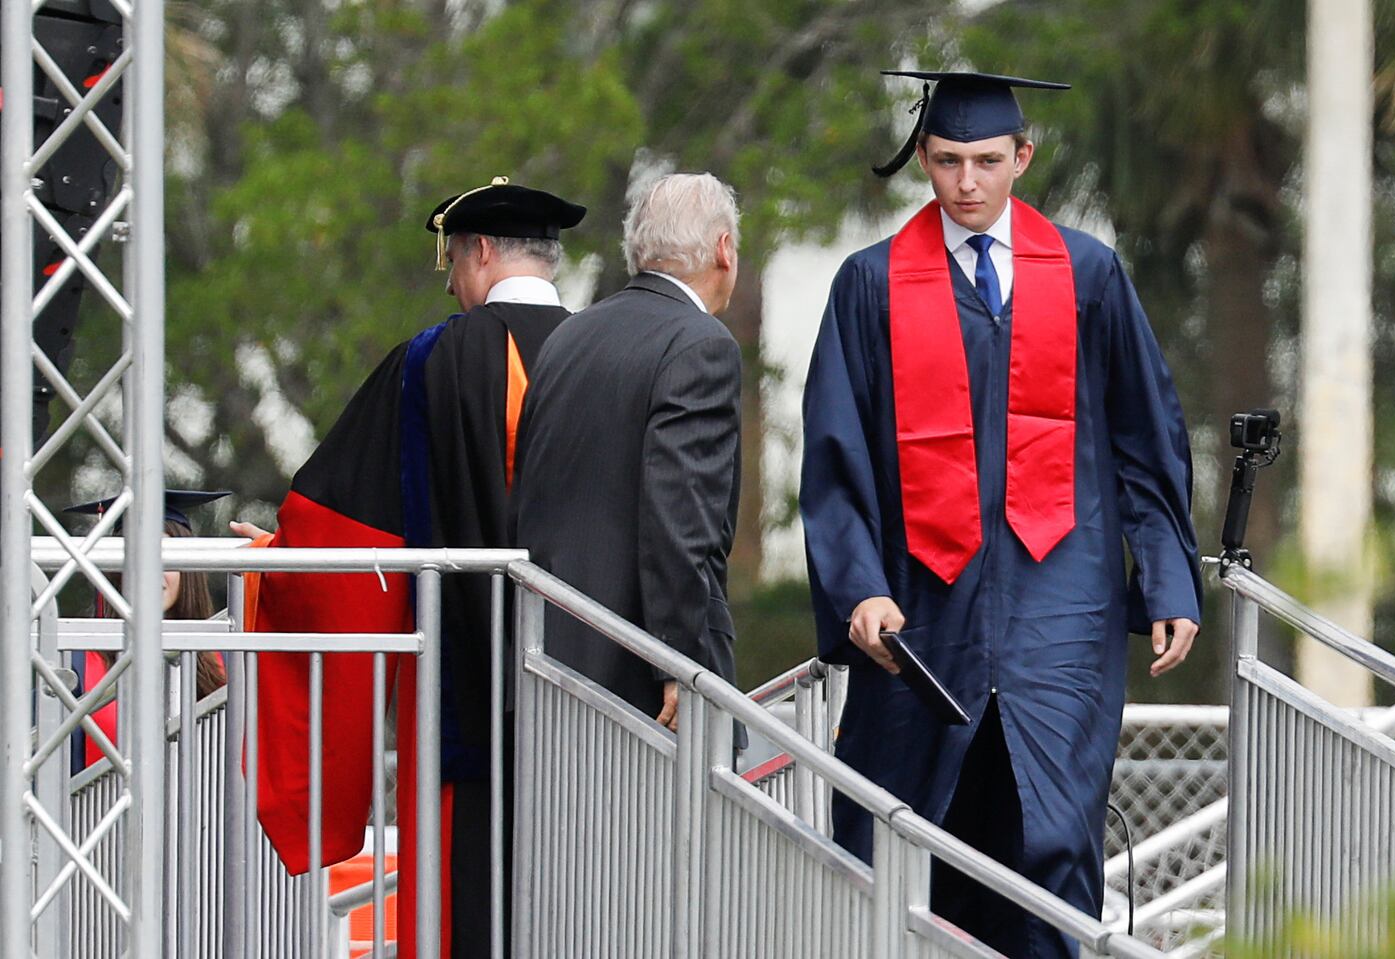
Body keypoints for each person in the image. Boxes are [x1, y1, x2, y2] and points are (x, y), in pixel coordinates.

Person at [799, 71, 1202, 958]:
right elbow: (835, 454)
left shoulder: (1088, 275)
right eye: (947, 162)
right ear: (925, 164)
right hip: (919, 612)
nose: (967, 183)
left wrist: (1169, 574)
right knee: (906, 842)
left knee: (1051, 836)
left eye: (987, 160)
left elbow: (1146, 437)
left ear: (1023, 156)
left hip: (1062, 606)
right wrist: (858, 585)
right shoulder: (870, 287)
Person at [235, 177, 584, 959]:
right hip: (594, 695)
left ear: (483, 251)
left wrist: (270, 562)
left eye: (454, 264)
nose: (454, 286)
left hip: (461, 691)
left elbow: (345, 530)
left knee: (468, 909)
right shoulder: (604, 349)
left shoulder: (432, 360)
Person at [513, 172, 742, 733]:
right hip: (645, 684)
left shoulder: (568, 336)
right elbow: (679, 518)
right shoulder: (702, 346)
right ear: (724, 250)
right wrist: (680, 660)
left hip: (549, 657)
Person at [65, 489, 230, 771]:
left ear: (189, 569)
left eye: (166, 556)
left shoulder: (229, 660)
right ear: (118, 573)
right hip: (102, 813)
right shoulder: (76, 667)